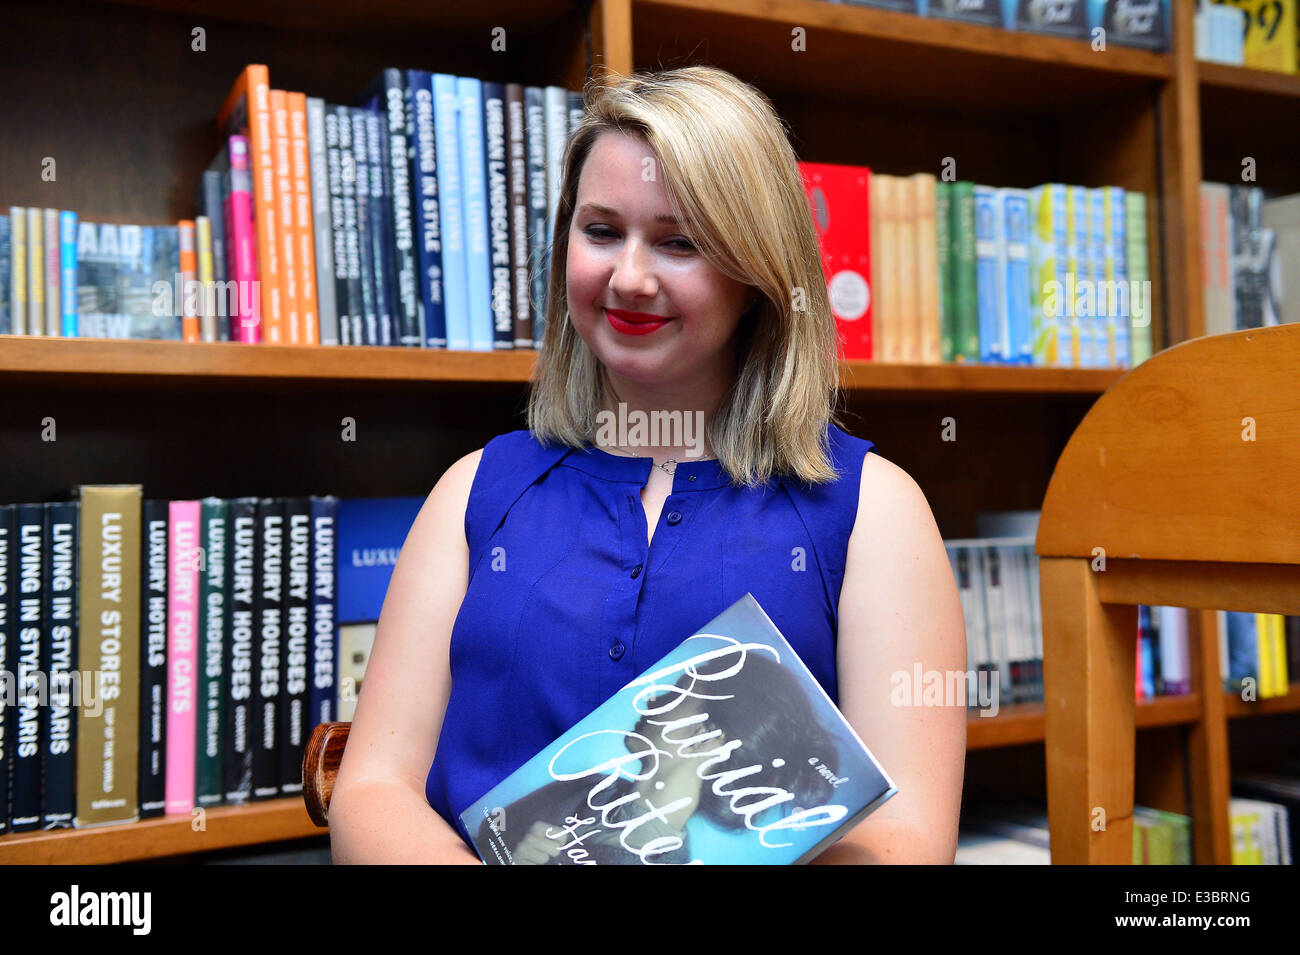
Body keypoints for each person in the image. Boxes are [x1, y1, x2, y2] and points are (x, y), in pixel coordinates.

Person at [328, 64, 967, 865]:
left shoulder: (875, 511)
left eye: (678, 242)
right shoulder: (475, 492)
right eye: (601, 231)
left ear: (756, 273)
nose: (629, 277)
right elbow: (373, 789)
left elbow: (905, 842)